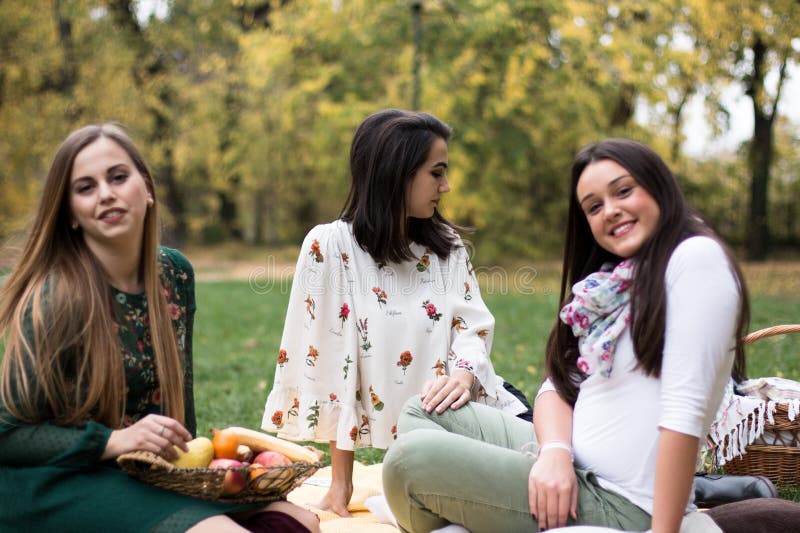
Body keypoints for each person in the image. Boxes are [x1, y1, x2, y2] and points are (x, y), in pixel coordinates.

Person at [382, 138, 750, 533]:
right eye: (594, 206)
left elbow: (685, 414)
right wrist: (555, 453)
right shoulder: (613, 285)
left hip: (624, 503)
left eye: (623, 190)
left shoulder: (694, 260)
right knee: (422, 411)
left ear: (658, 186)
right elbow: (557, 386)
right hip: (569, 463)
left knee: (410, 460)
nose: (610, 210)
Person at [0, 123, 320, 533]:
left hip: (146, 473)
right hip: (57, 481)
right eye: (85, 187)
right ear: (70, 214)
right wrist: (112, 442)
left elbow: (178, 411)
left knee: (297, 523)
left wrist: (205, 468)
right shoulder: (57, 298)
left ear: (146, 189)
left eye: (118, 177)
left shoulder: (174, 274)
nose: (106, 194)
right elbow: (8, 435)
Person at [261, 109, 531, 517]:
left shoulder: (447, 245)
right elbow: (334, 368)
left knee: (560, 486)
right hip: (430, 456)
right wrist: (341, 483)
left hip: (486, 419)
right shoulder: (331, 246)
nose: (447, 185)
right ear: (396, 174)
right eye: (436, 173)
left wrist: (464, 373)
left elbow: (472, 327)